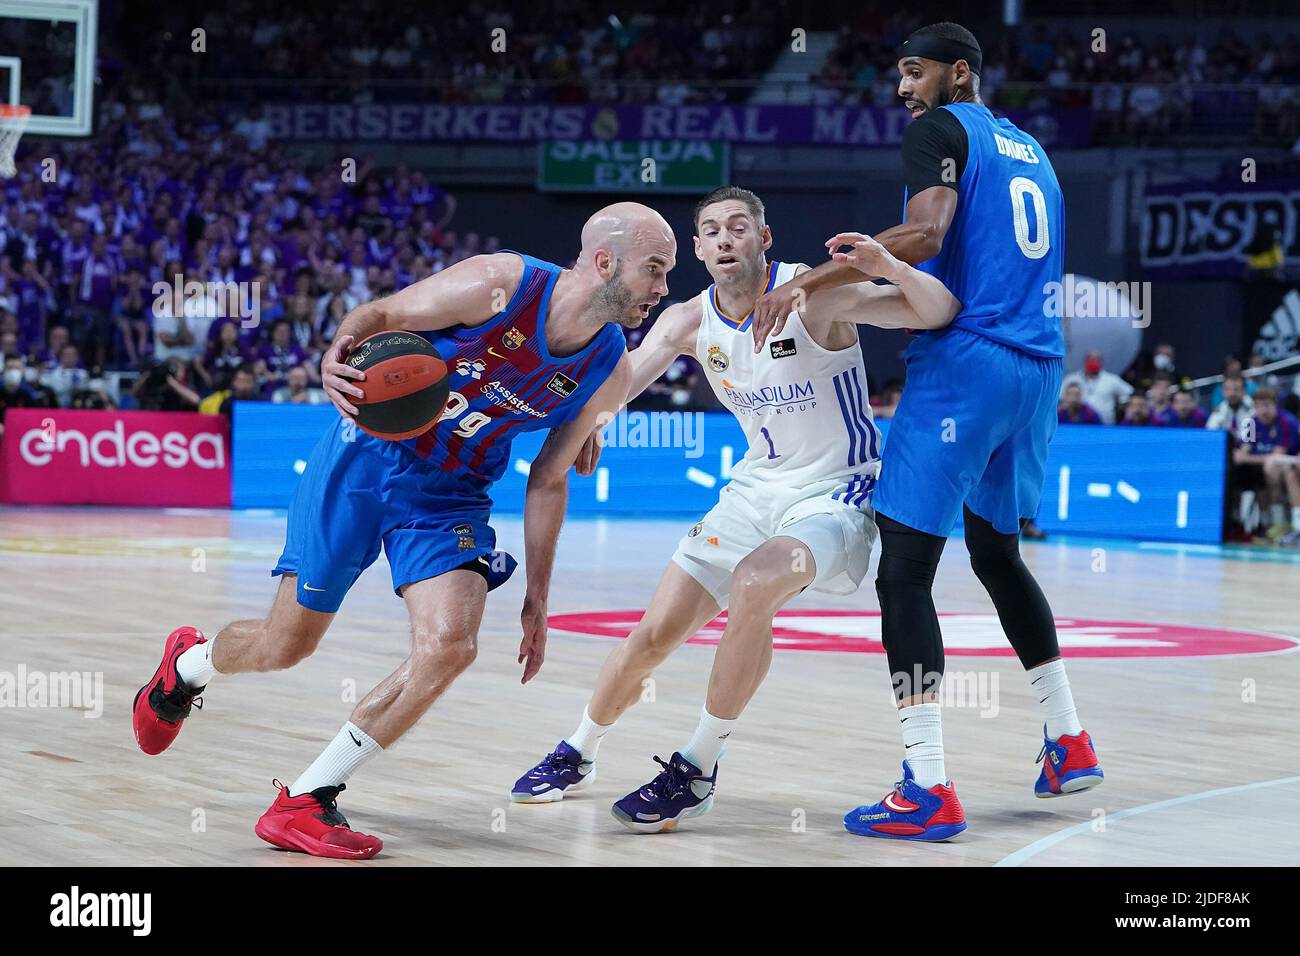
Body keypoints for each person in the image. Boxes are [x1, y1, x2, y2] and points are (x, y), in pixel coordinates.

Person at [130, 202, 670, 859]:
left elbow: (550, 479)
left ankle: (307, 797)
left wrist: (538, 598)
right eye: (655, 269)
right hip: (366, 456)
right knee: (285, 644)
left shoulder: (609, 369)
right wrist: (338, 350)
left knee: (450, 645)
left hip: (451, 494)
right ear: (607, 263)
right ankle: (185, 667)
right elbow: (382, 316)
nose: (664, 287)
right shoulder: (500, 283)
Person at [509, 187, 959, 831]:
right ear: (696, 250)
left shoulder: (815, 292)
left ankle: (696, 769)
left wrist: (886, 265)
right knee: (653, 637)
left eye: (739, 228)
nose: (724, 239)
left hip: (836, 496)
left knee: (754, 584)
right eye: (712, 230)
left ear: (763, 241)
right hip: (753, 493)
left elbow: (939, 311)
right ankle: (578, 749)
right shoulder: (688, 322)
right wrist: (591, 422)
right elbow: (621, 381)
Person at [750, 21, 1102, 842]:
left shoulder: (941, 130)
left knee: (904, 574)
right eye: (900, 76)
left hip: (967, 369)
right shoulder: (1034, 153)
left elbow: (925, 235)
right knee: (996, 553)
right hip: (1038, 369)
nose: (904, 90)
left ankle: (928, 787)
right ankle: (1068, 738)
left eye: (915, 72)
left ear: (959, 73)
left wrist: (812, 279)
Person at [1233, 388, 1300, 542]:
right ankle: (1262, 525)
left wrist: (1246, 458)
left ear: (1275, 406)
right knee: (1244, 471)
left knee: (1272, 467)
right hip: (1260, 468)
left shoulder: (1286, 421)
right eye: (1259, 406)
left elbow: (1277, 455)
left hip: (1287, 466)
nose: (1263, 410)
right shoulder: (1251, 422)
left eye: (1267, 405)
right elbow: (1242, 452)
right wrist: (1244, 457)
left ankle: (1286, 524)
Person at [1061, 350, 1133, 424]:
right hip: (1077, 425)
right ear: (1085, 361)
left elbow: (1131, 393)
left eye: (1097, 360)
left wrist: (1121, 403)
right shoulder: (1071, 379)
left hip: (1106, 426)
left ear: (1101, 362)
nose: (1094, 362)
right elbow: (1059, 397)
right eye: (1091, 359)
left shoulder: (1112, 379)